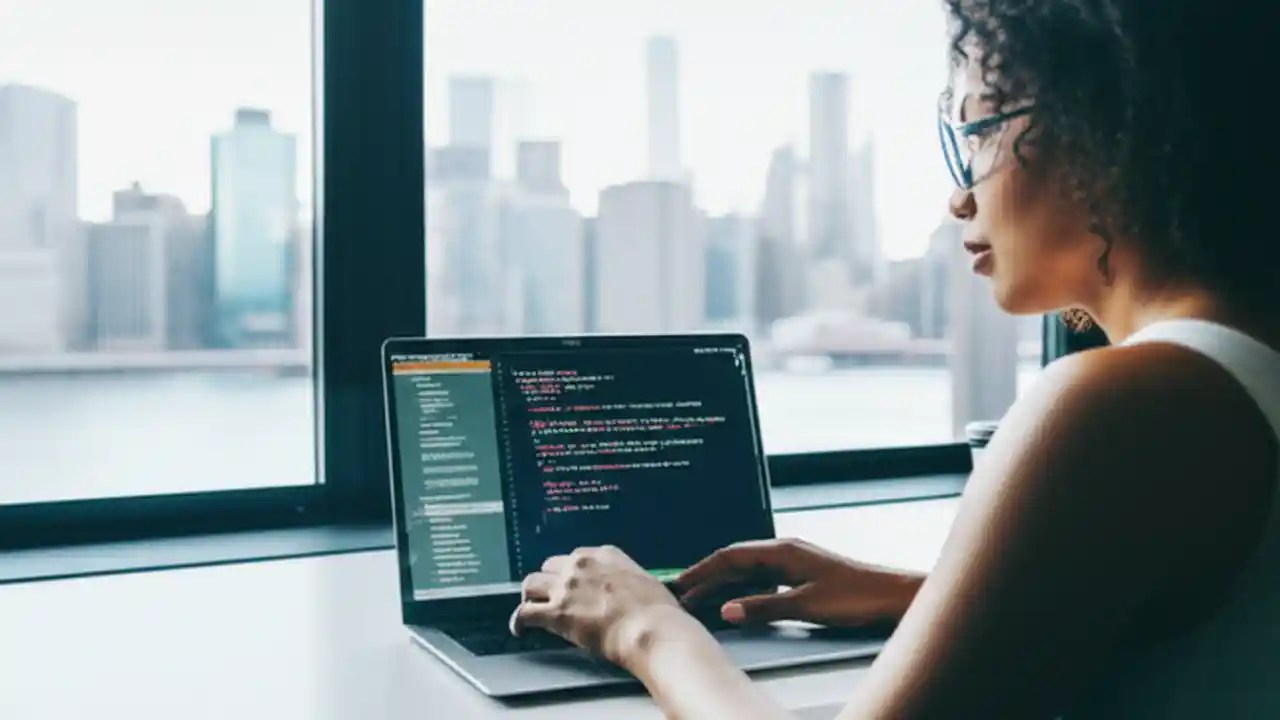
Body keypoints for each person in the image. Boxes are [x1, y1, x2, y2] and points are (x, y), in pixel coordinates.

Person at [512, 0, 1280, 716]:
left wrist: (642, 626)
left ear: (1102, 132)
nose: (959, 196)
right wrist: (928, 595)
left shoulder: (1123, 404)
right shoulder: (1239, 373)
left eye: (978, 134)